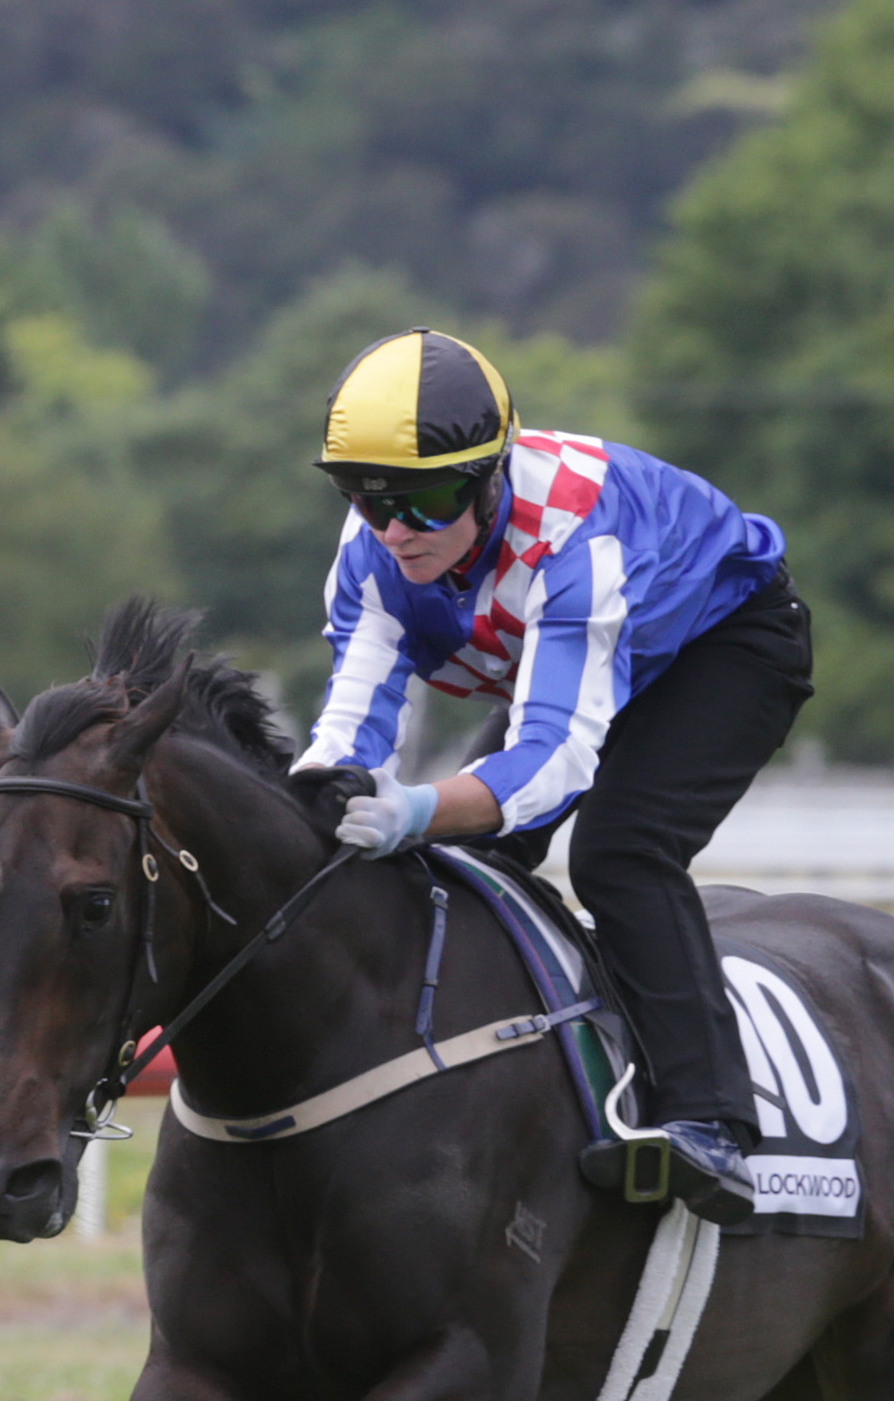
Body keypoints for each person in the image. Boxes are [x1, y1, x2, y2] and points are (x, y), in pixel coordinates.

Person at [297, 326, 812, 1223]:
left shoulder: (576, 533)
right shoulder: (372, 552)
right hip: (575, 664)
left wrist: (416, 806)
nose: (393, 530)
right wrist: (322, 799)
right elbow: (349, 732)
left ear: (488, 473)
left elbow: (552, 762)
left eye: (423, 501)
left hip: (721, 645)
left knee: (618, 850)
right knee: (464, 867)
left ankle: (709, 1120)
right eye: (365, 499)